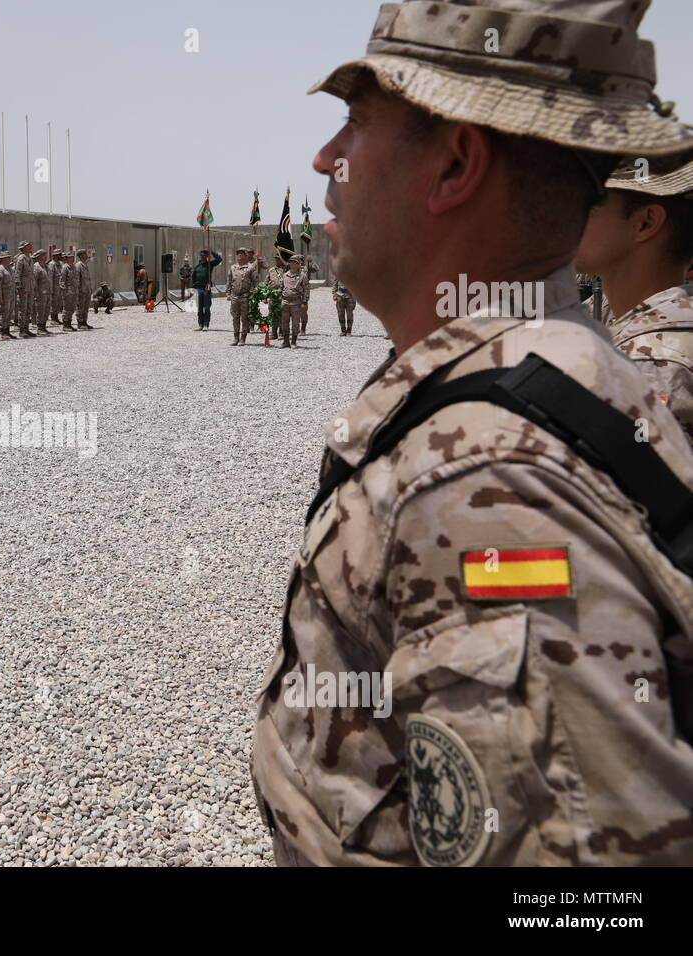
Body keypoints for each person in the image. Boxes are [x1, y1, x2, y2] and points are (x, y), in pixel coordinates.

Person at [250, 0, 693, 867]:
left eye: (355, 122)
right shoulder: (553, 374)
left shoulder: (486, 488)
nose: (325, 158)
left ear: (455, 164)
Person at [576, 155, 693, 443]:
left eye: (590, 207)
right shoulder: (608, 313)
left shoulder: (647, 362)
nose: (569, 218)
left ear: (645, 223)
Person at [226, 248, 259, 346]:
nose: (239, 255)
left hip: (245, 296)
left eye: (241, 253)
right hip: (235, 296)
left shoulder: (250, 267)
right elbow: (229, 280)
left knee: (245, 318)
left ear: (246, 255)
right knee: (235, 317)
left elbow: (255, 282)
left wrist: (254, 294)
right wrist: (228, 293)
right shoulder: (233, 267)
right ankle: (235, 337)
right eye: (238, 253)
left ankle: (243, 338)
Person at [190, 249, 221, 330]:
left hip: (206, 288)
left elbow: (219, 259)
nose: (203, 257)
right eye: (202, 256)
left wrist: (212, 253)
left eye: (205, 256)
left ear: (207, 257)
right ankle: (200, 324)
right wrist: (192, 290)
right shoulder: (197, 267)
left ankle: (206, 325)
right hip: (198, 289)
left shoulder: (209, 265)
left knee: (207, 307)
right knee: (199, 308)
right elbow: (193, 278)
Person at [13, 241, 36, 338]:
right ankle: (22, 330)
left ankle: (26, 328)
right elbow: (17, 274)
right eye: (28, 246)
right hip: (23, 288)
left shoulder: (30, 258)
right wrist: (19, 287)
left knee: (29, 309)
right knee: (23, 309)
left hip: (30, 287)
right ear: (23, 248)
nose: (31, 247)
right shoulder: (21, 258)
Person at [0, 251, 16, 338]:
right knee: (4, 313)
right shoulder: (0, 269)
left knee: (9, 313)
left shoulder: (9, 268)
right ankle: (3, 332)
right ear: (3, 259)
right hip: (4, 295)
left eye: (9, 257)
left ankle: (7, 330)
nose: (9, 259)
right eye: (7, 258)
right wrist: (0, 297)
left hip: (11, 294)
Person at [32, 250, 52, 336]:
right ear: (39, 256)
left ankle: (44, 326)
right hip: (41, 293)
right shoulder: (36, 266)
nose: (45, 257)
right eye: (44, 255)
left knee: (46, 310)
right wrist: (36, 293)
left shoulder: (46, 266)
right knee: (40, 310)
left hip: (47, 292)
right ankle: (40, 328)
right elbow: (34, 281)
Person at [75, 248, 94, 330]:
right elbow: (77, 279)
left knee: (86, 307)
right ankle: (80, 322)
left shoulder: (85, 264)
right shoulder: (78, 265)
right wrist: (78, 290)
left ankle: (84, 322)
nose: (87, 255)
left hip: (87, 290)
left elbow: (87, 279)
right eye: (85, 254)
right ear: (81, 255)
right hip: (82, 291)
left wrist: (90, 288)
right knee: (80, 307)